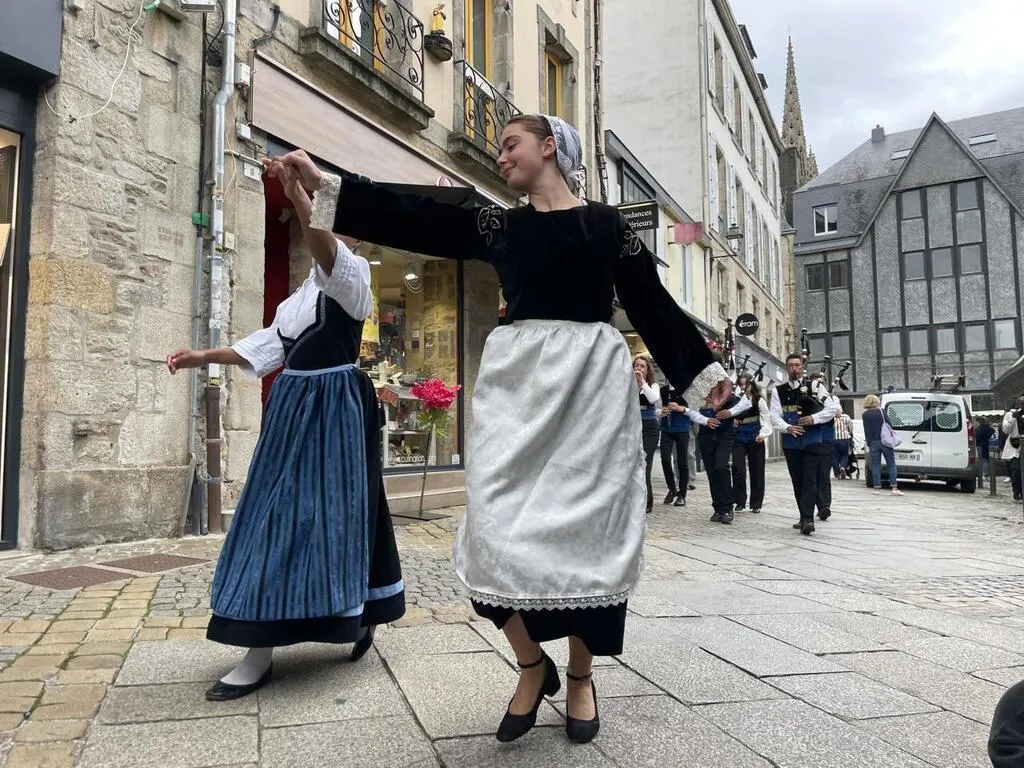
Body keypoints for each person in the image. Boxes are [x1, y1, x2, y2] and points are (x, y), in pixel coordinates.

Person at [265, 115, 733, 744]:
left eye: (512, 143)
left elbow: (652, 305)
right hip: (519, 394)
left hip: (590, 394)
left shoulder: (608, 227)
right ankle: (532, 665)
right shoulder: (501, 225)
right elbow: (416, 217)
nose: (502, 154)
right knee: (491, 533)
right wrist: (328, 185)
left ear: (550, 148)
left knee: (589, 538)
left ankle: (581, 677)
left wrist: (703, 374)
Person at [165, 179, 405, 701]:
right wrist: (202, 357)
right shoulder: (301, 297)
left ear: (355, 237)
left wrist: (299, 194)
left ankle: (355, 612)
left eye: (337, 222)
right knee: (270, 513)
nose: (329, 229)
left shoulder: (353, 275)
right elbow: (266, 347)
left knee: (339, 513)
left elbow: (324, 245)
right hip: (293, 407)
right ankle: (260, 648)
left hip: (335, 410)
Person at [769, 354, 838, 535]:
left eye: (798, 365)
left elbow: (831, 409)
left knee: (809, 479)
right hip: (791, 442)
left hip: (812, 440)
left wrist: (814, 418)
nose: (795, 368)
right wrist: (787, 427)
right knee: (797, 480)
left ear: (802, 367)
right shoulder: (778, 391)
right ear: (787, 368)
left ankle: (808, 520)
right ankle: (803, 516)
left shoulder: (815, 386)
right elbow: (774, 415)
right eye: (791, 365)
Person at [689, 364, 750, 525]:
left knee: (721, 467)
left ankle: (728, 507)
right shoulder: (699, 389)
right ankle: (718, 507)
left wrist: (730, 412)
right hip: (706, 434)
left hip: (725, 434)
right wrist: (706, 420)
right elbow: (691, 411)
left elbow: (745, 403)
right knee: (711, 471)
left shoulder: (727, 386)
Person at [731, 376, 772, 514]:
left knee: (757, 470)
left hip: (755, 437)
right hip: (739, 437)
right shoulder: (736, 400)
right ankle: (739, 501)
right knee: (737, 469)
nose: (743, 387)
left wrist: (763, 434)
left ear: (752, 385)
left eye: (746, 384)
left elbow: (766, 419)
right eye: (741, 384)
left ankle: (756, 503)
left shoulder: (759, 400)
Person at [634, 355, 662, 515]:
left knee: (645, 463)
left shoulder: (653, 385)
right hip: (633, 426)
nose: (638, 368)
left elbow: (653, 399)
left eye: (642, 366)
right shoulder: (628, 384)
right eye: (636, 365)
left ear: (647, 370)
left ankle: (647, 501)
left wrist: (642, 382)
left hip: (649, 428)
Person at [658, 380, 691, 507]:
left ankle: (682, 494)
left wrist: (680, 408)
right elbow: (656, 407)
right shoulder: (663, 390)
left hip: (682, 428)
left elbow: (694, 409)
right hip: (666, 427)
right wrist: (662, 410)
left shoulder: (686, 388)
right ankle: (672, 488)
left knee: (682, 461)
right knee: (665, 459)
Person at [862, 394, 902, 496]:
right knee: (891, 464)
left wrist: (869, 442)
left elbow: (866, 429)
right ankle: (894, 488)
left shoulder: (865, 415)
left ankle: (876, 489)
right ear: (876, 402)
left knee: (876, 465)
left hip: (873, 442)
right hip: (885, 441)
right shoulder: (881, 411)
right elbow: (889, 424)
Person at [813, 374, 839, 522]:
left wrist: (826, 402)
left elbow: (838, 413)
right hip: (810, 440)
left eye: (821, 383)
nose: (819, 386)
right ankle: (816, 504)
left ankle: (824, 506)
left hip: (827, 439)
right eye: (816, 383)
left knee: (823, 474)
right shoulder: (807, 397)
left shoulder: (832, 398)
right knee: (811, 476)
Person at [1002, 398, 1023, 502]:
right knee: (1016, 470)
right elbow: (1006, 430)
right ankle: (1017, 491)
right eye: (1020, 403)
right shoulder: (1010, 415)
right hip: (1015, 445)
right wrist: (1013, 419)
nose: (1021, 406)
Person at [833, 406, 853, 479]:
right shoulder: (846, 417)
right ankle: (842, 467)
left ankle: (837, 473)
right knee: (844, 455)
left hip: (834, 439)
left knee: (835, 456)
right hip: (844, 439)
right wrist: (849, 432)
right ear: (841, 411)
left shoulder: (832, 418)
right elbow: (850, 428)